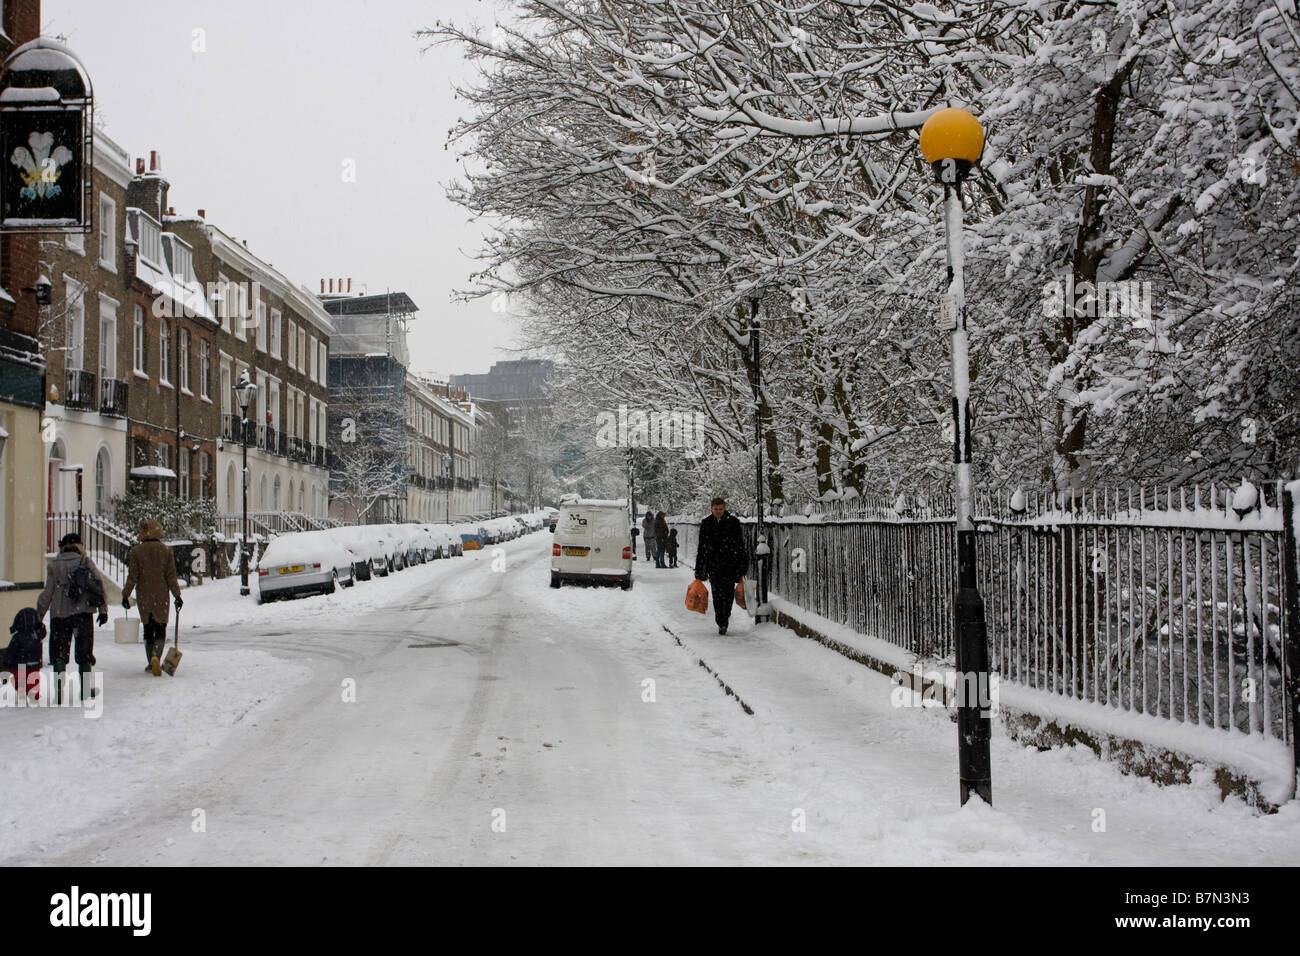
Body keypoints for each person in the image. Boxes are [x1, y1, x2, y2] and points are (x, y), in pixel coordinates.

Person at [35, 533, 108, 703]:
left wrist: (39, 615)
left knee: (59, 654)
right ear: (79, 546)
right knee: (84, 653)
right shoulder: (85, 562)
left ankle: (59, 694)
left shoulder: (55, 566)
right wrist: (103, 610)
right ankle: (84, 691)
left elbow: (47, 593)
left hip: (60, 615)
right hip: (83, 614)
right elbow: (99, 586)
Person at [122, 518, 183, 677]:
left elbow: (132, 576)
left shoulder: (136, 551)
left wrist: (126, 594)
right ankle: (157, 655)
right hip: (161, 594)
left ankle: (151, 661)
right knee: (160, 627)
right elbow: (171, 576)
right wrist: (177, 595)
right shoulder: (166, 551)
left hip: (144, 595)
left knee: (148, 628)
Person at [694, 497, 748, 635]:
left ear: (724, 508)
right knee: (717, 595)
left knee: (728, 594)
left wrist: (742, 567)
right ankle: (721, 621)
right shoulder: (706, 524)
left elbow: (740, 546)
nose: (718, 512)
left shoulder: (733, 523)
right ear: (711, 508)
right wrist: (700, 569)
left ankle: (726, 617)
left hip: (730, 565)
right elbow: (702, 548)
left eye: (721, 509)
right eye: (716, 509)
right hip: (714, 566)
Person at [4, 608, 46, 700]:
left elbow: (11, 651)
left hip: (20, 665)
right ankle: (34, 695)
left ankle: (21, 692)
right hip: (34, 664)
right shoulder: (37, 635)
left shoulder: (17, 637)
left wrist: (7, 663)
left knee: (20, 681)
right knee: (33, 681)